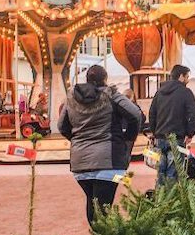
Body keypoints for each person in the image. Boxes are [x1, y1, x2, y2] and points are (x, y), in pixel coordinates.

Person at [59, 65, 142, 225]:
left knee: (92, 202)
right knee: (104, 207)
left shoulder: (71, 96)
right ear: (105, 79)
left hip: (80, 162)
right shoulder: (110, 95)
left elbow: (62, 126)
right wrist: (126, 139)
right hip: (109, 159)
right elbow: (135, 114)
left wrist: (77, 140)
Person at [148, 65, 195, 187]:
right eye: (187, 77)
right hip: (177, 138)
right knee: (173, 171)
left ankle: (159, 199)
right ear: (181, 76)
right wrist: (190, 132)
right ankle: (170, 201)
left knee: (160, 171)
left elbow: (152, 113)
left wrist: (155, 132)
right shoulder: (185, 92)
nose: (188, 80)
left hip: (160, 138)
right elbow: (194, 113)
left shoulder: (159, 92)